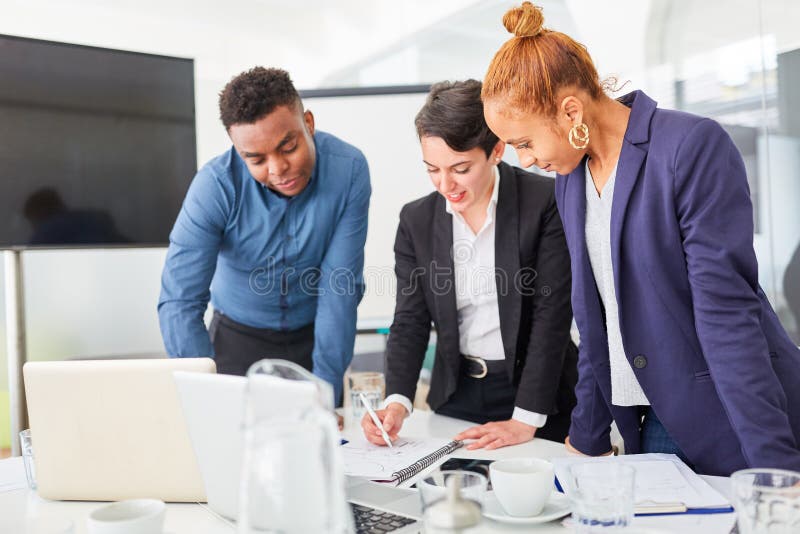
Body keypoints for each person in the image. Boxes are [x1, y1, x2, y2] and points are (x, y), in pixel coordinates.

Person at [480, 2, 800, 475]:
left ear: (571, 111)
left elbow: (727, 317)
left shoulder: (690, 146)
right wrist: (586, 437)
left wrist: (777, 469)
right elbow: (596, 319)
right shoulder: (572, 178)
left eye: (526, 143)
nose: (524, 161)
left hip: (731, 419)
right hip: (644, 423)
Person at [361, 80, 577, 450]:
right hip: (457, 396)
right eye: (433, 170)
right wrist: (397, 401)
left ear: (496, 150)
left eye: (460, 168)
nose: (446, 185)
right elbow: (410, 319)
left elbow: (551, 316)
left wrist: (525, 419)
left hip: (540, 398)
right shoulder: (417, 220)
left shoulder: (544, 202)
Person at [158, 67, 371, 402]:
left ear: (309, 124)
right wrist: (205, 392)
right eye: (255, 159)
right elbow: (180, 301)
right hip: (236, 341)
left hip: (315, 339)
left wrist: (325, 390)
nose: (277, 169)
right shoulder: (215, 186)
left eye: (288, 147)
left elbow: (338, 287)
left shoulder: (349, 170)